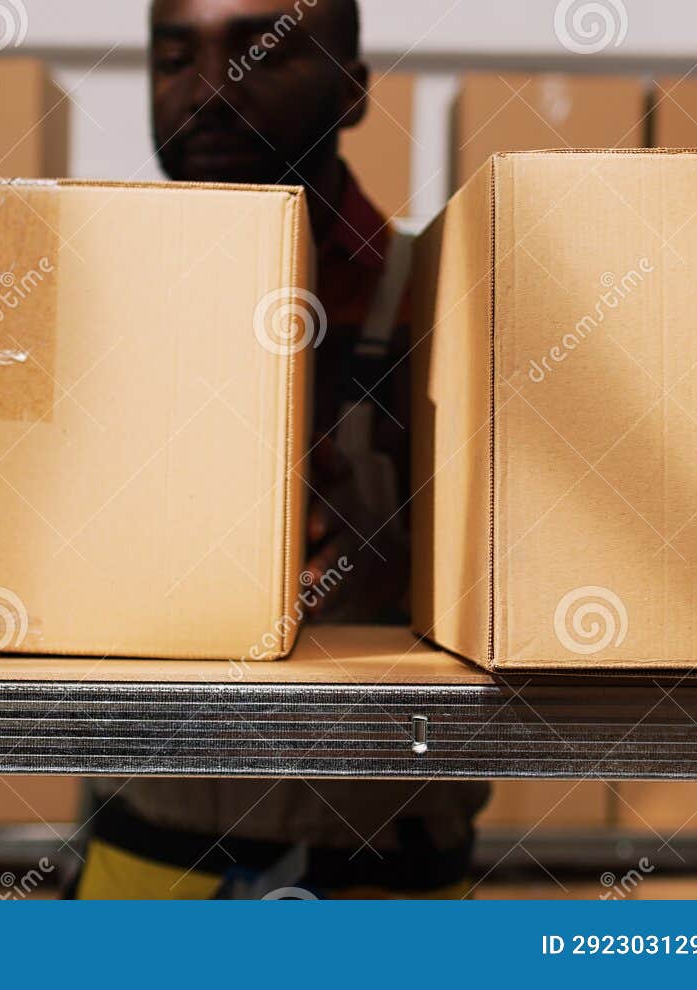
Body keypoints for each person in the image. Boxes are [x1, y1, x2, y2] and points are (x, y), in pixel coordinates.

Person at [73, 0, 489, 900]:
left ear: (353, 91)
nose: (208, 93)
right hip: (152, 860)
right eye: (173, 56)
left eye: (266, 53)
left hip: (387, 872)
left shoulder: (448, 301)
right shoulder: (97, 313)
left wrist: (405, 567)